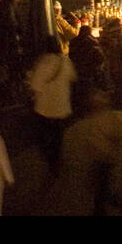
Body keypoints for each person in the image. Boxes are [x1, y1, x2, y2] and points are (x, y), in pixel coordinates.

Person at [29, 37, 77, 174]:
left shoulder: (42, 63)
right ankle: (57, 159)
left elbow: (35, 86)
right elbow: (73, 77)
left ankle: (52, 161)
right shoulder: (65, 61)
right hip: (61, 106)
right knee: (58, 135)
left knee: (45, 134)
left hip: (44, 108)